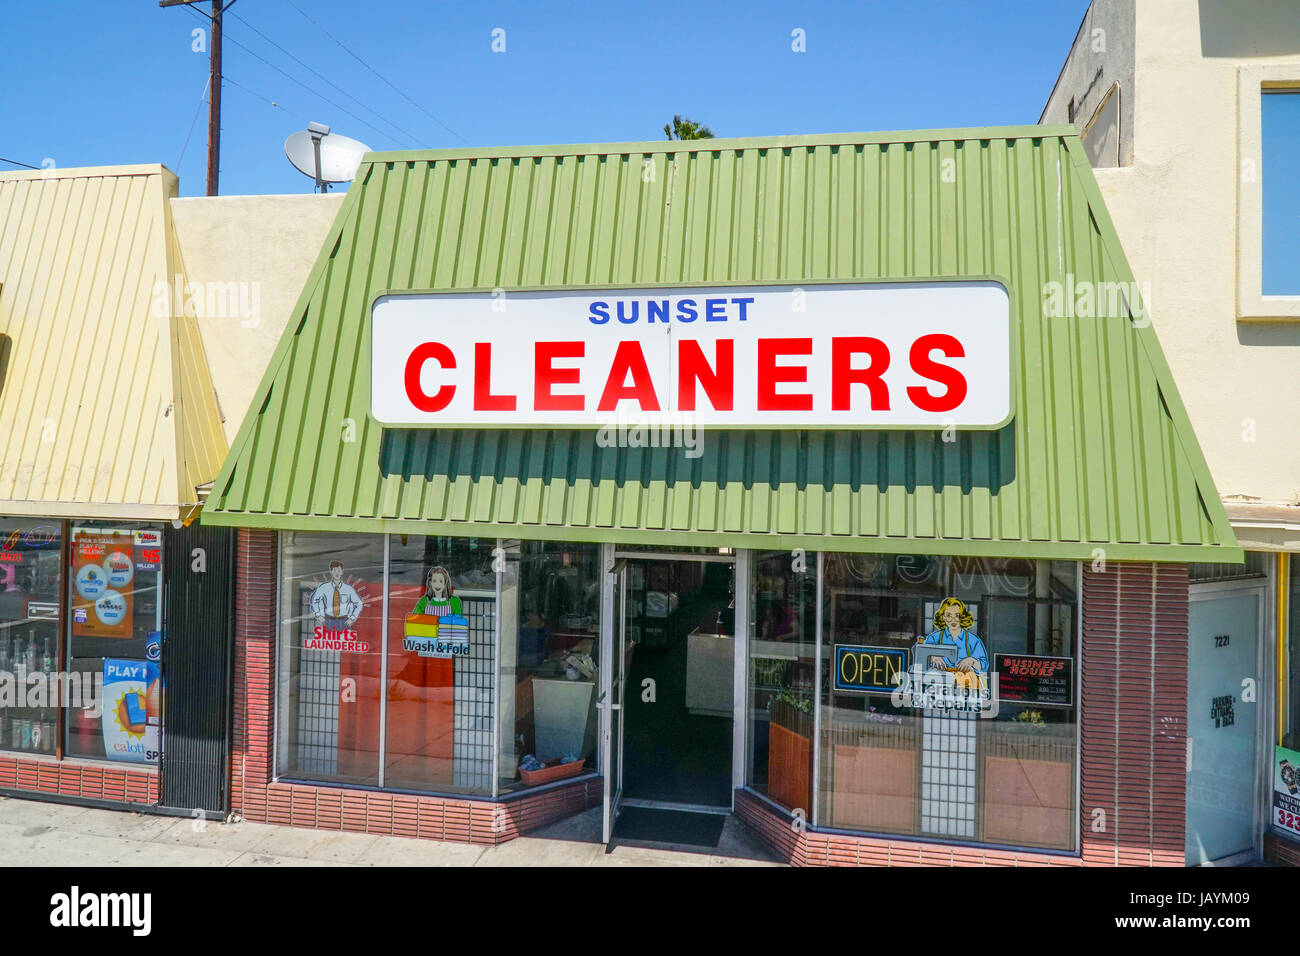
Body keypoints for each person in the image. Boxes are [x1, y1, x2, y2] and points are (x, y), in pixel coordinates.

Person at [920, 597, 988, 673]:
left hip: (965, 682)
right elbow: (921, 659)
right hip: (939, 682)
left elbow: (984, 666)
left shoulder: (973, 640)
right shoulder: (933, 638)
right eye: (949, 615)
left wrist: (972, 661)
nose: (953, 619)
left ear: (962, 616)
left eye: (957, 615)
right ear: (943, 617)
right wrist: (931, 657)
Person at [310, 561, 363, 630]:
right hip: (328, 620)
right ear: (331, 572)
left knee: (344, 640)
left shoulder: (348, 589)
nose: (336, 573)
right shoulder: (324, 587)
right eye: (334, 570)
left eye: (338, 570)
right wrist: (318, 615)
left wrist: (352, 618)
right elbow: (314, 600)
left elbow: (359, 604)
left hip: (344, 621)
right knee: (328, 640)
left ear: (342, 572)